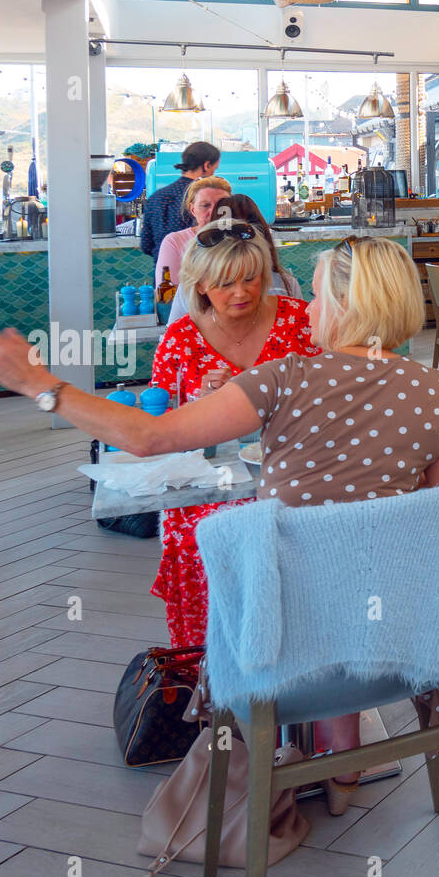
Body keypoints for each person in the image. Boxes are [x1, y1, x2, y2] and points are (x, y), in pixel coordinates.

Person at [0, 236, 439, 816]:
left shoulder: (285, 378)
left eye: (314, 296)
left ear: (343, 305)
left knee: (294, 588)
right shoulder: (437, 391)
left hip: (286, 650)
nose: (304, 309)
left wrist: (39, 385)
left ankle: (276, 758)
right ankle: (345, 765)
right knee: (350, 584)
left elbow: (149, 437)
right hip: (402, 649)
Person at [156, 222, 317, 650]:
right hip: (210, 486)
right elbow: (164, 425)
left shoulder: (299, 321)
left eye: (252, 278)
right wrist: (205, 404)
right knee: (202, 538)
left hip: (292, 475)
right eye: (226, 283)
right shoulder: (180, 340)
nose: (242, 292)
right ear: (201, 284)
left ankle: (298, 665)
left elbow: (329, 398)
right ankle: (213, 667)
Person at [167, 194, 303, 325]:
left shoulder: (287, 289)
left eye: (249, 278)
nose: (240, 293)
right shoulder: (288, 284)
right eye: (225, 283)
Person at [139, 141, 221, 263]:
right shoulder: (203, 199)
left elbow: (146, 245)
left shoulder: (156, 197)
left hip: (163, 275)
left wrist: (167, 256)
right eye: (214, 169)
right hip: (195, 273)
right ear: (206, 165)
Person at [155, 176, 231, 288]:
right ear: (193, 210)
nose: (215, 211)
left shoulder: (241, 238)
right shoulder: (175, 242)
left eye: (221, 205)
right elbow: (166, 295)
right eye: (205, 205)